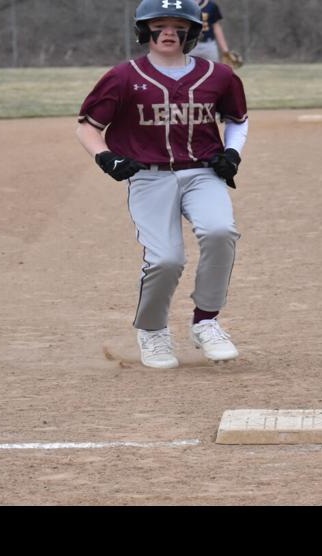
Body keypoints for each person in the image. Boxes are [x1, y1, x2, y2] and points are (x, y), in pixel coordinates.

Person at [75, 0, 249, 368]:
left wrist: (232, 152)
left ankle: (206, 322)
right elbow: (88, 126)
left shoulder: (218, 76)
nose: (169, 32)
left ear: (192, 33)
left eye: (178, 26)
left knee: (220, 232)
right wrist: (106, 157)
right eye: (160, 25)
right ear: (144, 31)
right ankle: (152, 330)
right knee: (166, 259)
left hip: (203, 172)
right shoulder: (123, 77)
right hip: (149, 176)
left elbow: (237, 119)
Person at [193, 1, 243, 67]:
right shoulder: (182, 4)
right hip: (189, 44)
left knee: (213, 70)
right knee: (188, 71)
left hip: (208, 44)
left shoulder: (211, 5)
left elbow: (216, 27)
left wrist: (225, 50)